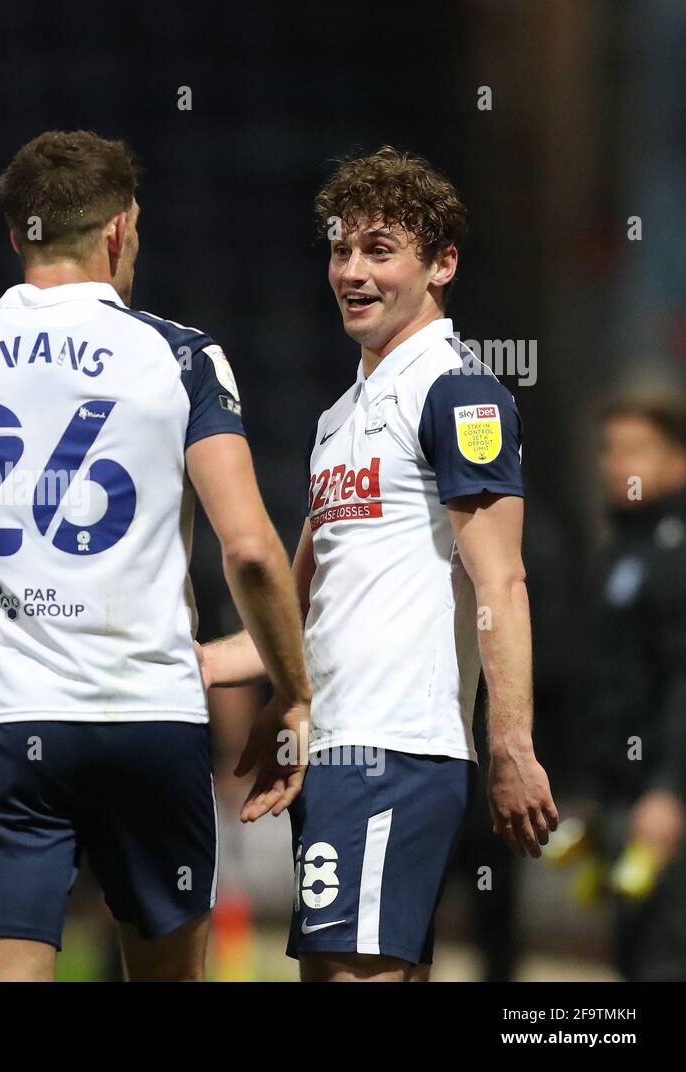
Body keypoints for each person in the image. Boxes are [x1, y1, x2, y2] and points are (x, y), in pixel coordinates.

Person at [0, 129, 312, 982]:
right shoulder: (180, 356)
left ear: (15, 235)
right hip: (149, 719)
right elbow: (250, 552)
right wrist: (292, 690)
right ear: (117, 231)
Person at [203, 146, 558, 981]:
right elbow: (289, 618)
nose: (352, 272)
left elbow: (500, 580)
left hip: (392, 749)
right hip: (336, 755)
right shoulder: (338, 418)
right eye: (340, 249)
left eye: (379, 250)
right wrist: (175, 668)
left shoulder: (458, 391)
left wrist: (510, 744)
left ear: (443, 264)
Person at [588, 396, 686, 980]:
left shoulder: (677, 551)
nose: (615, 463)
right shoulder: (619, 549)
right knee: (632, 956)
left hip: (665, 801)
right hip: (623, 795)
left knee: (663, 959)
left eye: (635, 449)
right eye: (610, 449)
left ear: (678, 460)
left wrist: (669, 790)